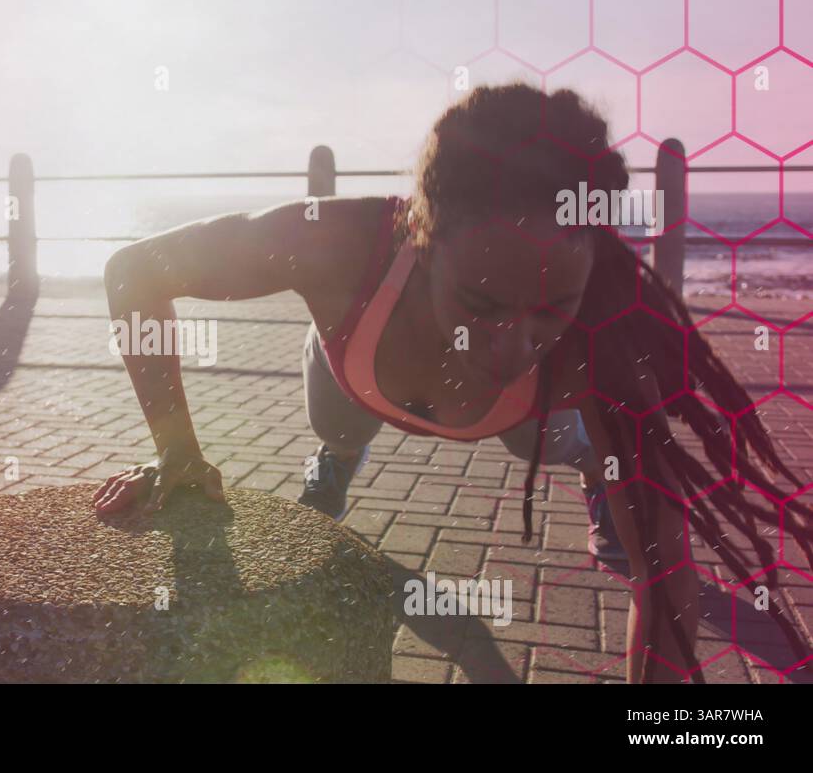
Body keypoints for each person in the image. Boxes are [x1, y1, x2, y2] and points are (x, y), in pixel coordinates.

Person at [94, 83, 812, 683]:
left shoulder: (600, 344)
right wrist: (178, 451)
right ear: (419, 235)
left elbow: (666, 585)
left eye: (549, 309)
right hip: (355, 378)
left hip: (530, 421)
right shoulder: (336, 248)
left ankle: (600, 472)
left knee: (566, 434)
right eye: (483, 303)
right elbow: (134, 271)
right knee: (336, 426)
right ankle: (338, 464)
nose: (511, 345)